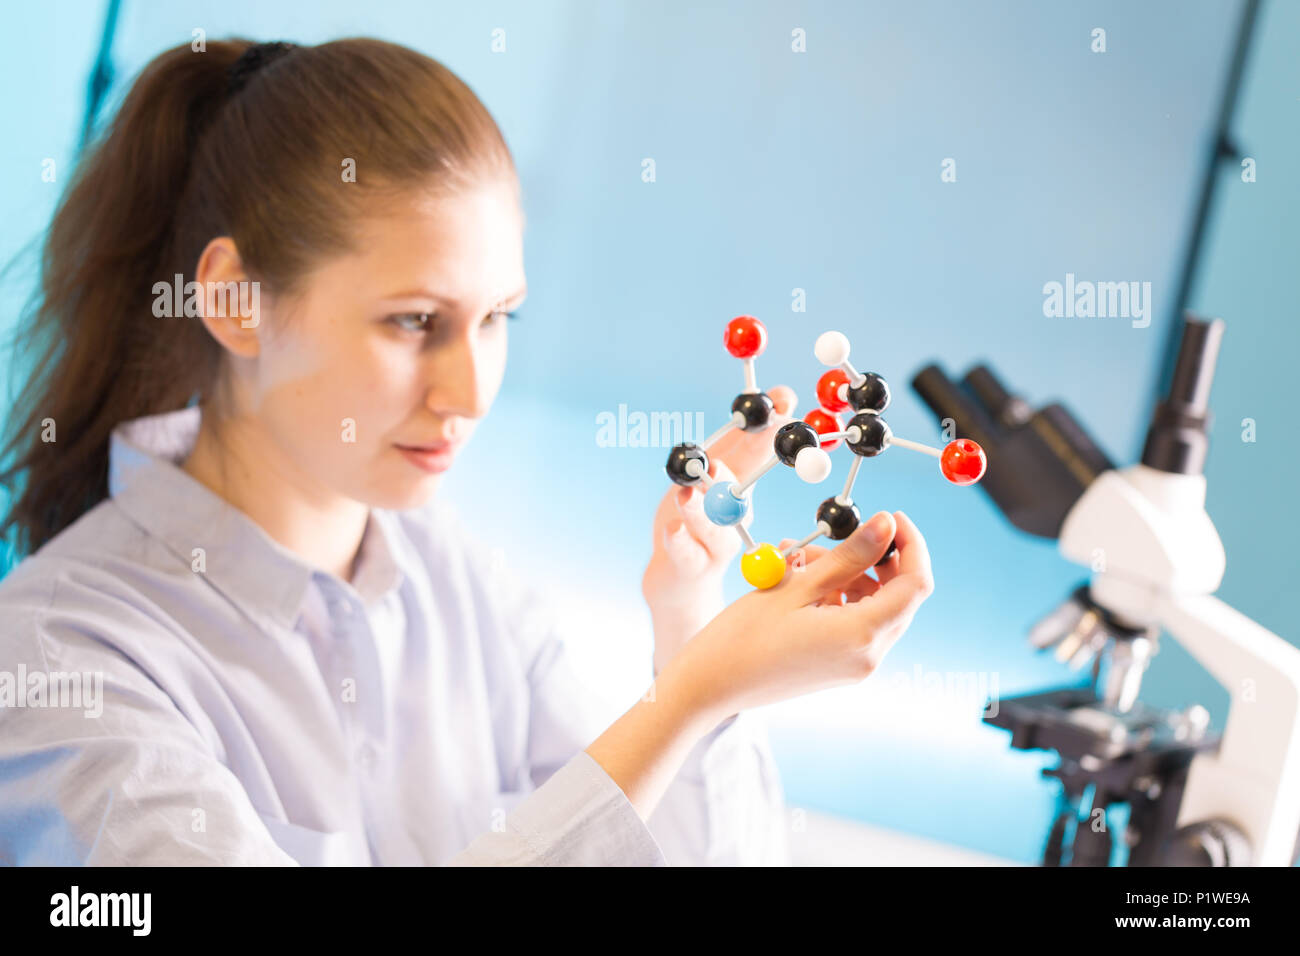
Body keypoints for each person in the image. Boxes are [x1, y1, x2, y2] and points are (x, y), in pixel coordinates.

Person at [0, 38, 933, 866]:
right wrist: (684, 701)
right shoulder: (58, 657)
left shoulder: (454, 578)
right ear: (238, 302)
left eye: (497, 318)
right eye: (414, 321)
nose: (472, 393)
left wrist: (689, 631)